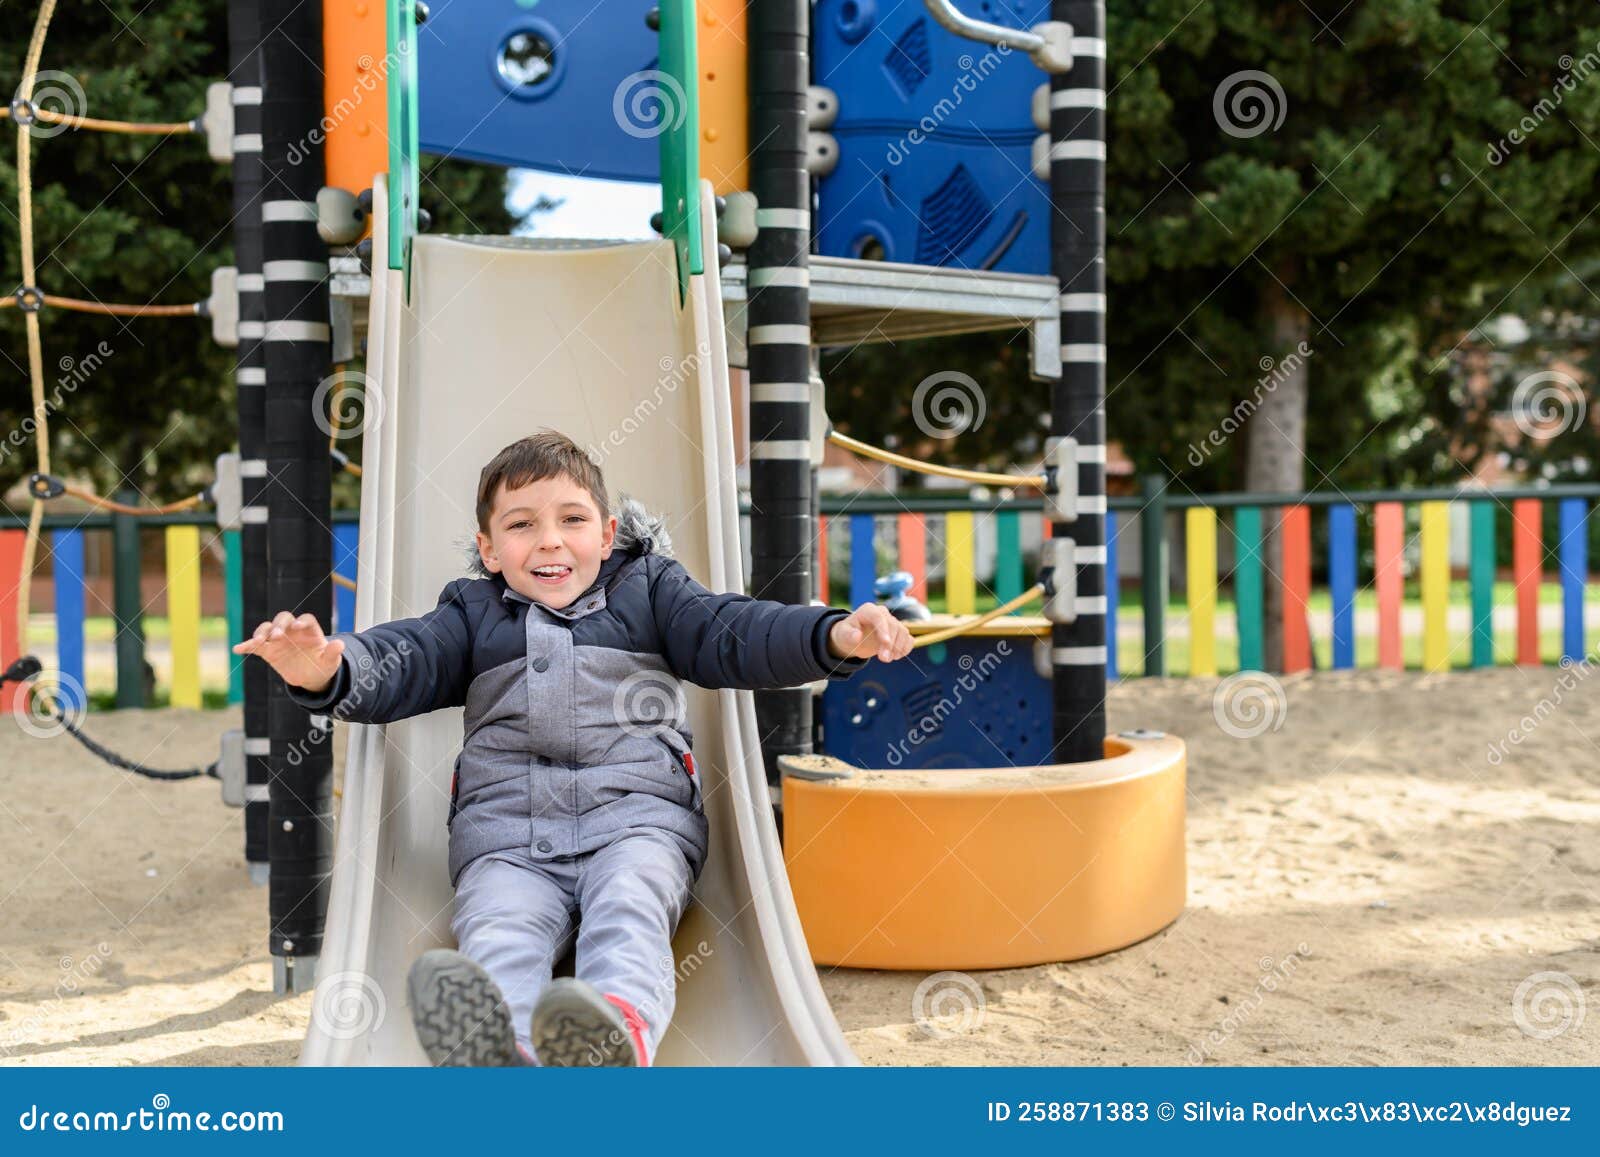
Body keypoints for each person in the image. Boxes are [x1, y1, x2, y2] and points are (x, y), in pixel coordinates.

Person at [232, 430, 914, 1067]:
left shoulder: (651, 591)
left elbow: (734, 631)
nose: (550, 541)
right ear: (490, 548)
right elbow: (404, 657)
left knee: (628, 905)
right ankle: (509, 1052)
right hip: (508, 837)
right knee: (499, 924)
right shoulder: (472, 613)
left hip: (639, 822)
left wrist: (833, 636)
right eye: (522, 524)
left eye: (572, 519)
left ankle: (613, 1032)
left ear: (609, 532)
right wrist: (326, 667)